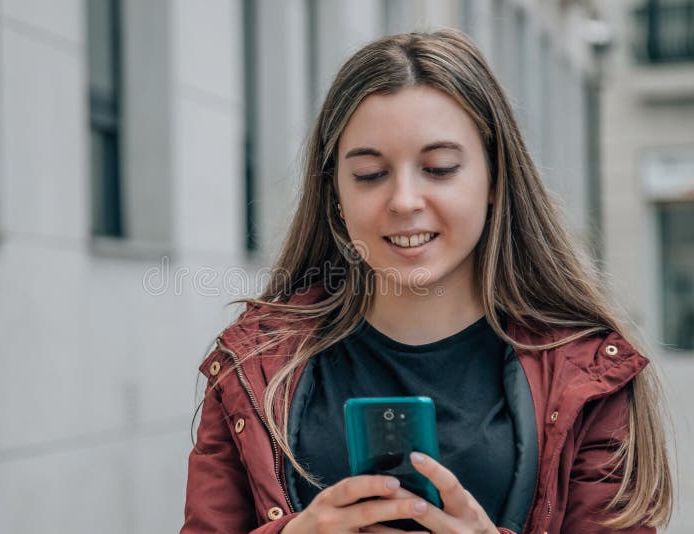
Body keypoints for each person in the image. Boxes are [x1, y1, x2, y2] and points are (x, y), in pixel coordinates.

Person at [181, 29, 674, 534]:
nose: (404, 201)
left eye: (439, 169)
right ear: (334, 195)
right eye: (370, 174)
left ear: (494, 179)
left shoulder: (588, 374)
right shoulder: (255, 363)